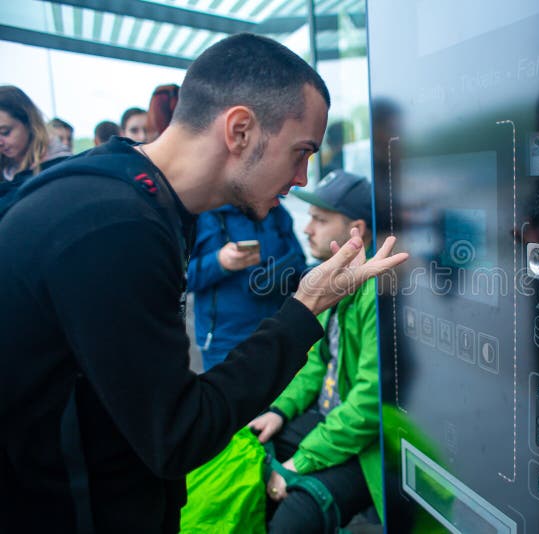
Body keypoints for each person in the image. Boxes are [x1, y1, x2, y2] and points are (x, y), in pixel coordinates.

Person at [0, 33, 406, 534]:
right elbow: (179, 434)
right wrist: (306, 308)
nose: (302, 178)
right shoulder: (113, 227)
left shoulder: (132, 194)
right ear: (239, 130)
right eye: (300, 152)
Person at [249, 170, 383, 532]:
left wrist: (301, 463)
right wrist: (279, 409)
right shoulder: (333, 277)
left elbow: (370, 403)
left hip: (366, 443)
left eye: (320, 220)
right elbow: (314, 363)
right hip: (329, 419)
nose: (307, 229)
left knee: (294, 517)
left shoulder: (376, 293)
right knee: (246, 454)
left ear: (358, 229)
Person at [187, 201, 308, 371]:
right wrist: (219, 262)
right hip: (224, 342)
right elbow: (179, 278)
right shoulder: (202, 214)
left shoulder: (276, 211)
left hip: (276, 333)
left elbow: (298, 265)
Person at [0, 86, 71, 187]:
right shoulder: (5, 171)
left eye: (5, 132)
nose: (0, 142)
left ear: (29, 123)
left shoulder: (59, 167)